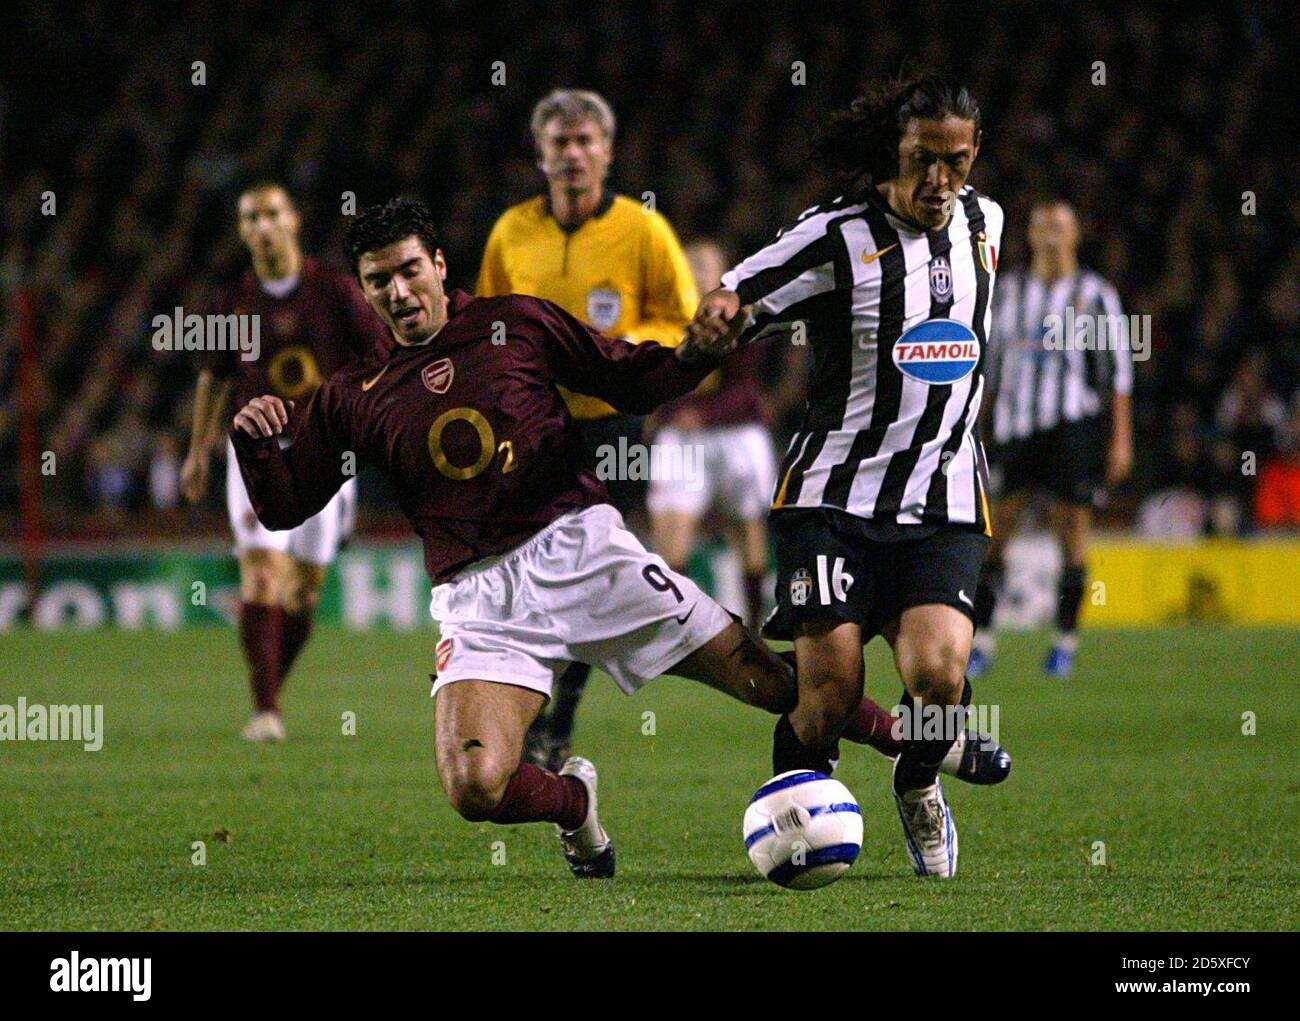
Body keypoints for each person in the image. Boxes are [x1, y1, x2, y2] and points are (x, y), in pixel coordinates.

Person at [231, 198, 1006, 878]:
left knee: (779, 686)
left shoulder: (515, 323)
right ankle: (576, 805)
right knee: (475, 787)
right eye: (378, 281)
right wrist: (256, 445)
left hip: (587, 551)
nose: (398, 293)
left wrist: (697, 354)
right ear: (364, 290)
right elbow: (285, 508)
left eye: (407, 270)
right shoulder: (353, 395)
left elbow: (626, 378)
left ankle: (917, 743)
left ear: (438, 264)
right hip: (478, 598)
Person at [681, 75, 1012, 878]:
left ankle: (918, 780)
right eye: (924, 159)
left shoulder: (986, 222)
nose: (941, 180)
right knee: (827, 694)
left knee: (938, 676)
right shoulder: (837, 234)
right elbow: (741, 291)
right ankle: (796, 815)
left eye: (957, 161)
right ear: (891, 152)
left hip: (940, 495)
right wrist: (721, 312)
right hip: (832, 495)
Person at [476, 88, 697, 771]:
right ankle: (539, 714)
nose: (573, 155)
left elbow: (683, 320)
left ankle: (555, 717)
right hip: (532, 429)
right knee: (530, 575)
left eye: (584, 142)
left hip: (611, 429)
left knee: (587, 576)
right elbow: (484, 322)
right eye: (560, 143)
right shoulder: (511, 231)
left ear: (606, 151)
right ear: (540, 154)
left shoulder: (642, 230)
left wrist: (630, 342)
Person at [180, 181, 390, 741]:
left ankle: (269, 687)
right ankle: (265, 709)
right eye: (251, 218)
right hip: (255, 453)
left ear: (294, 220)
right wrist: (198, 450)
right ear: (243, 230)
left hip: (326, 453)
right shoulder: (229, 302)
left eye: (273, 213)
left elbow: (380, 359)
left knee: (304, 592)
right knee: (262, 572)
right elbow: (213, 376)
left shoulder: (337, 292)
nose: (263, 225)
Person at [971, 200, 1134, 678]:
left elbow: (1117, 375)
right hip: (1016, 428)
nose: (1051, 235)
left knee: (1072, 536)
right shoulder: (1010, 292)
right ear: (1028, 234)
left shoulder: (1096, 294)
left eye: (1060, 226)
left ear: (1076, 234)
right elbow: (990, 368)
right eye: (1042, 226)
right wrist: (977, 428)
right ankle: (981, 639)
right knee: (993, 537)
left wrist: (1119, 439)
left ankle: (1064, 641)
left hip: (1072, 428)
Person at [647, 240, 778, 628]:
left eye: (705, 265)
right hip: (683, 436)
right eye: (690, 266)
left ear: (722, 272)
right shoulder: (665, 316)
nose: (697, 273)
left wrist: (699, 414)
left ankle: (754, 626)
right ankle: (682, 630)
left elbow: (746, 389)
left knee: (747, 531)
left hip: (736, 434)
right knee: (670, 535)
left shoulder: (741, 311)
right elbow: (653, 376)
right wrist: (666, 413)